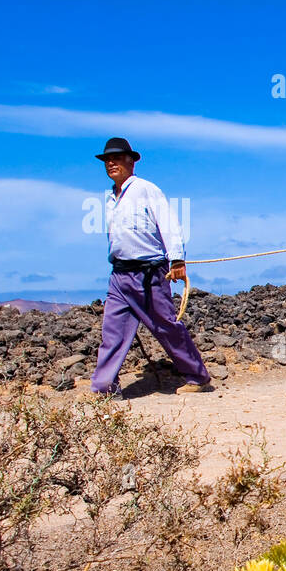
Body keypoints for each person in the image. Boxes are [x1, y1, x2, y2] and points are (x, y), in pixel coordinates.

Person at [89, 137, 213, 396]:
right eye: (107, 160)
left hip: (148, 274)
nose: (111, 163)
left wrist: (176, 260)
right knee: (112, 332)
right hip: (119, 275)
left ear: (131, 162)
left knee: (165, 326)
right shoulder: (110, 199)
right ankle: (104, 388)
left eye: (117, 158)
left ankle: (198, 377)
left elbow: (168, 223)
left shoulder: (146, 189)